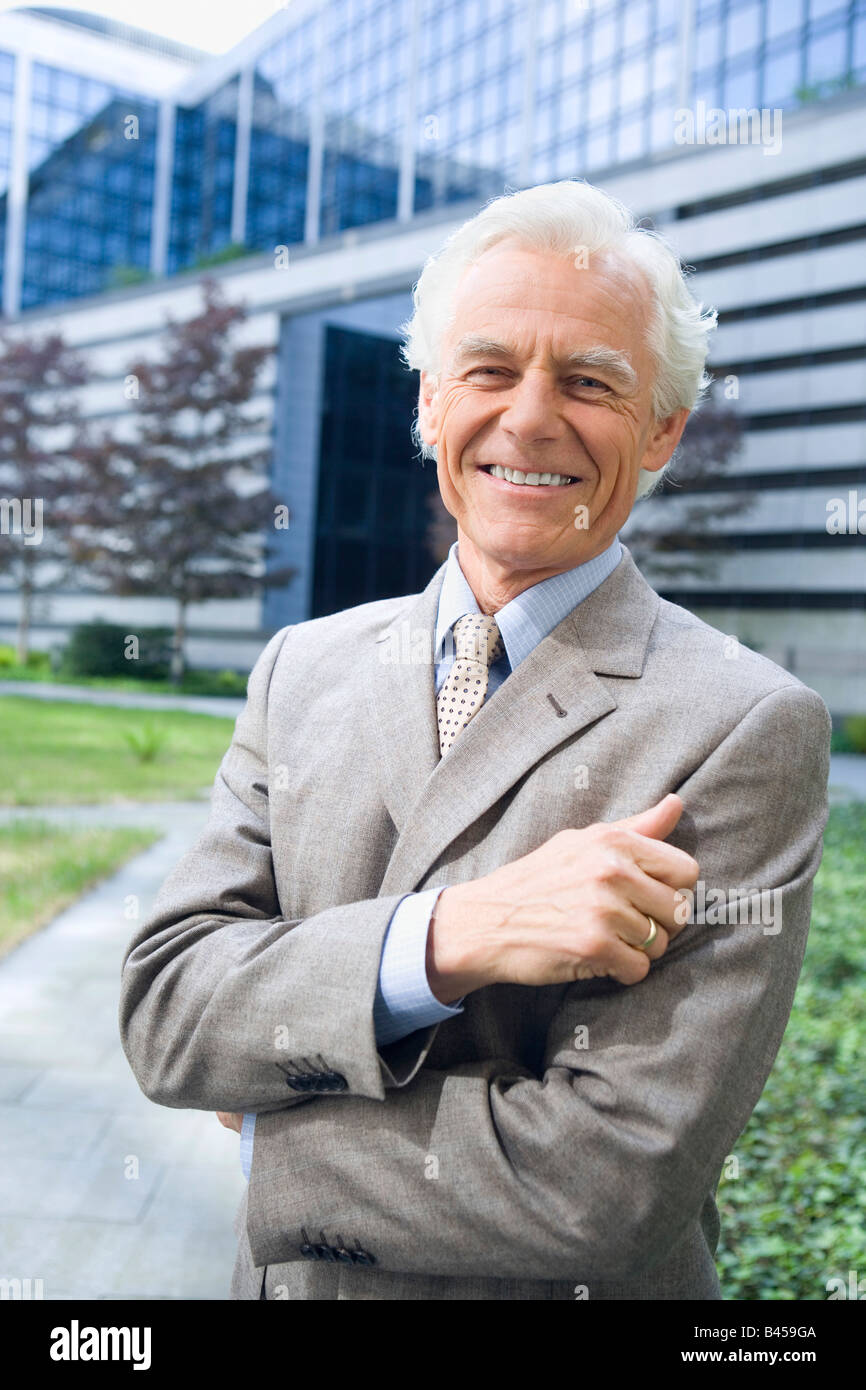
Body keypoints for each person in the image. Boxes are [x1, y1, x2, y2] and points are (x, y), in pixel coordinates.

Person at [119, 179, 830, 1301]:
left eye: (588, 381)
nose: (531, 416)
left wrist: (271, 1130)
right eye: (489, 369)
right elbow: (167, 1012)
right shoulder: (300, 667)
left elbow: (603, 1183)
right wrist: (444, 939)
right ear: (429, 402)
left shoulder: (743, 724)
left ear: (660, 429)